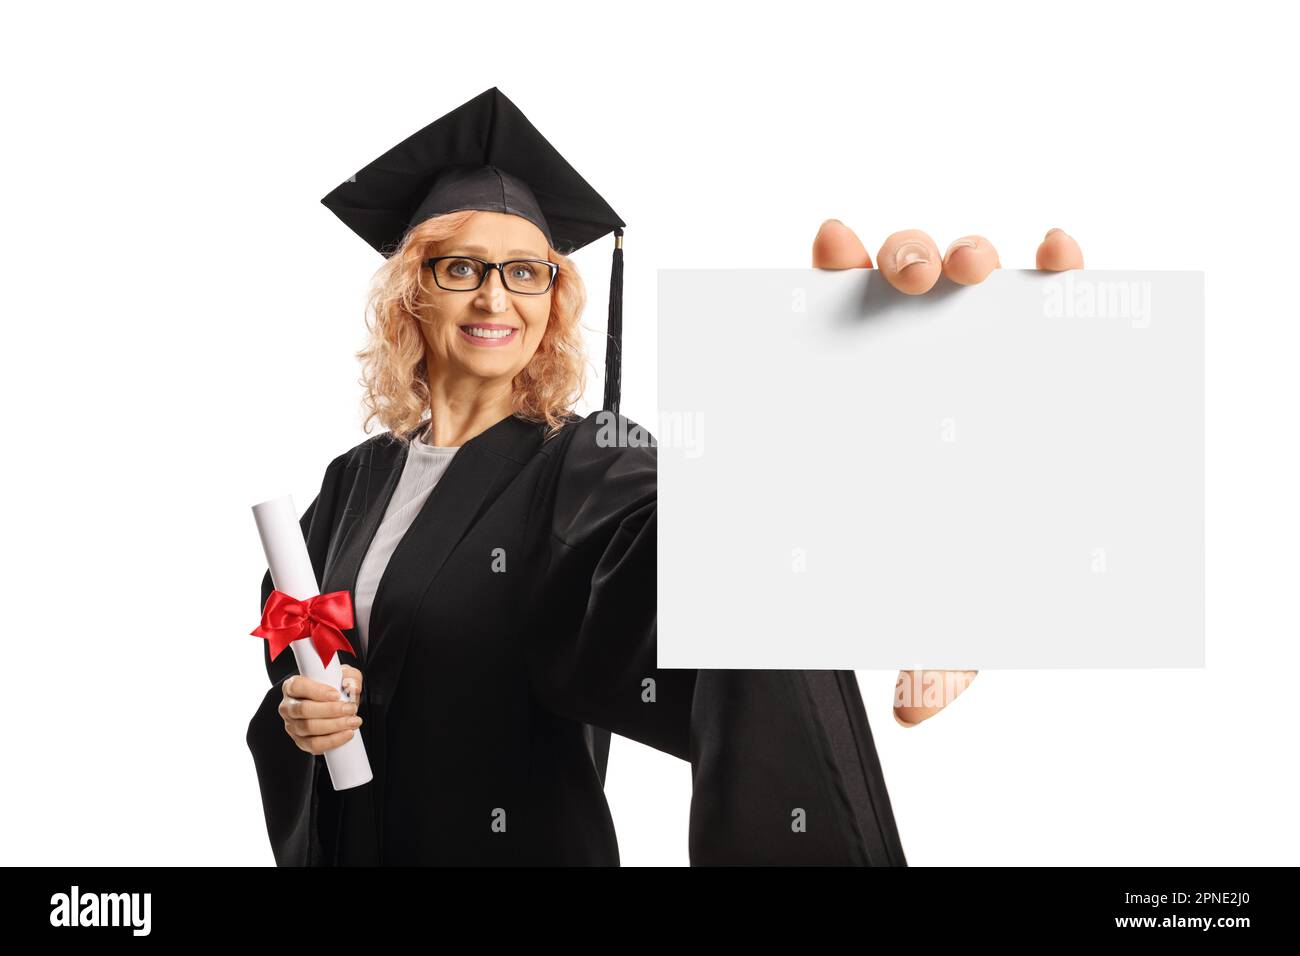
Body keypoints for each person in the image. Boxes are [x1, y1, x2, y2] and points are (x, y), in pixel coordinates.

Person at [246, 87, 1080, 866]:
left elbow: (707, 546)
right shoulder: (351, 481)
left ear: (554, 296)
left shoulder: (586, 458)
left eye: (525, 270)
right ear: (411, 293)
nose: (495, 295)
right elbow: (301, 632)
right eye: (460, 267)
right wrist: (312, 695)